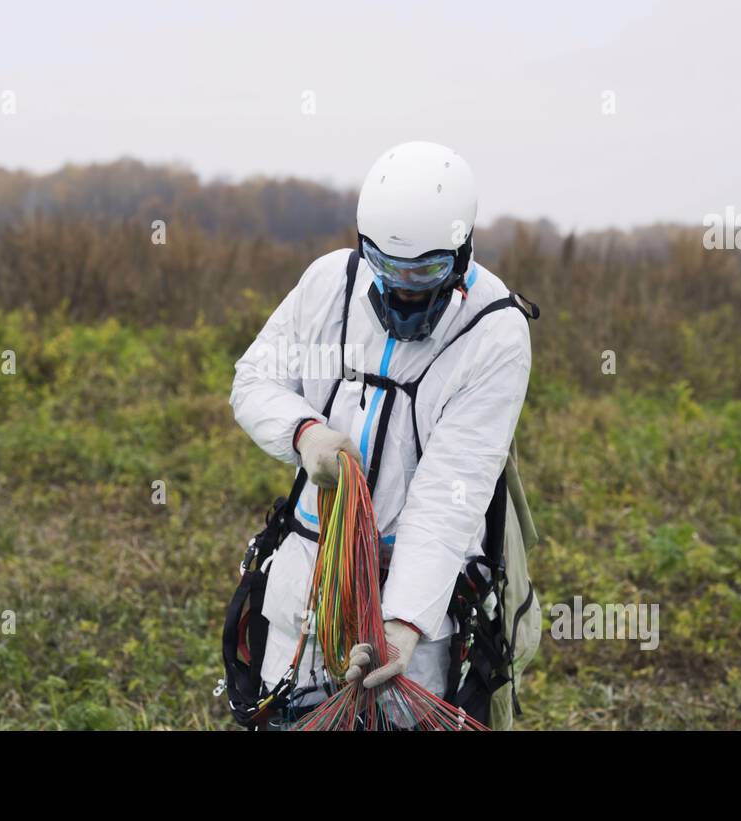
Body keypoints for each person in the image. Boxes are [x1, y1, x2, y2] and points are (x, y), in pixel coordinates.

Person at [229, 141, 538, 728]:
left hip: (418, 608)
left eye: (424, 270)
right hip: (306, 588)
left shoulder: (494, 334)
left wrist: (401, 626)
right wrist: (305, 435)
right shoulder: (328, 283)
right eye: (385, 265)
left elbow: (452, 490)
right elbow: (254, 380)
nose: (402, 287)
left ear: (461, 248)